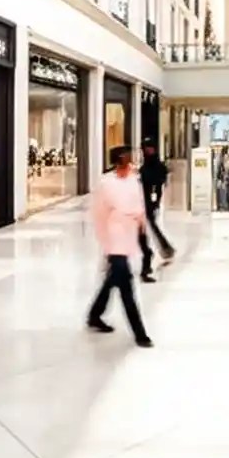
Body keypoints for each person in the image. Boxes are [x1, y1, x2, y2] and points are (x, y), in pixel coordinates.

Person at [87, 145, 154, 348]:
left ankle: (94, 315)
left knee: (113, 280)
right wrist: (105, 242)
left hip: (128, 235)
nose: (130, 162)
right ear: (117, 161)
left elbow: (139, 204)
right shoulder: (107, 183)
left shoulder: (134, 180)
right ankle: (140, 333)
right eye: (126, 159)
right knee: (126, 285)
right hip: (114, 238)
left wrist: (141, 226)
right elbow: (99, 214)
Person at [138, 141, 175, 282]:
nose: (147, 151)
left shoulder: (156, 167)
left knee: (150, 224)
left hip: (149, 201)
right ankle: (164, 248)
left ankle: (163, 249)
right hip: (144, 201)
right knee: (149, 225)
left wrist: (155, 201)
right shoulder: (146, 167)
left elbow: (158, 185)